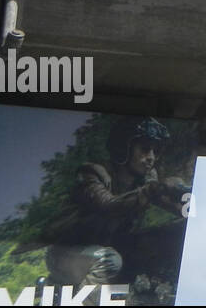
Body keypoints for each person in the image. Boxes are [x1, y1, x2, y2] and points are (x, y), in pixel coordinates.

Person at [42, 116, 191, 296]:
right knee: (110, 260)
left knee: (170, 234)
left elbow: (173, 206)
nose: (151, 157)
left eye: (155, 151)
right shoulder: (93, 174)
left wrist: (189, 200)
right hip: (66, 252)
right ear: (124, 148)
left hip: (106, 248)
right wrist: (155, 189)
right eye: (144, 149)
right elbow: (109, 206)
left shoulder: (145, 180)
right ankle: (79, 299)